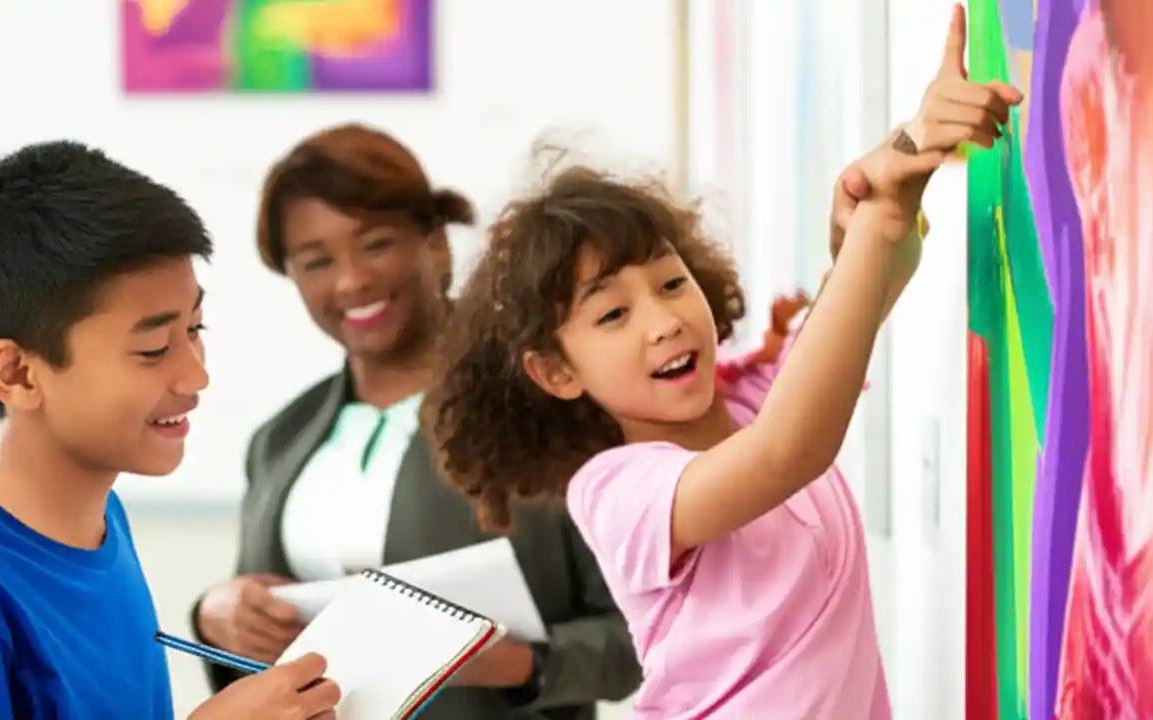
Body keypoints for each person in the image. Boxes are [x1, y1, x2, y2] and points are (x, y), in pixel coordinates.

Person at [422, 10, 1022, 718]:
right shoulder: (617, 492)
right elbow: (786, 454)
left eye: (671, 283)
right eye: (613, 314)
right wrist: (876, 220)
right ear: (557, 372)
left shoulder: (748, 399)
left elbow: (865, 294)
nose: (664, 320)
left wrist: (906, 154)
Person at [189, 124, 641, 719]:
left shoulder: (547, 407)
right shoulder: (281, 440)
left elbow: (640, 633)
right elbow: (258, 634)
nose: (351, 280)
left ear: (436, 244)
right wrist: (215, 613)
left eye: (375, 243)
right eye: (316, 261)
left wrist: (521, 663)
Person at [0, 141, 340, 719]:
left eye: (195, 328)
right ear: (18, 373)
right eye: (152, 349)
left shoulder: (102, 523)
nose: (196, 375)